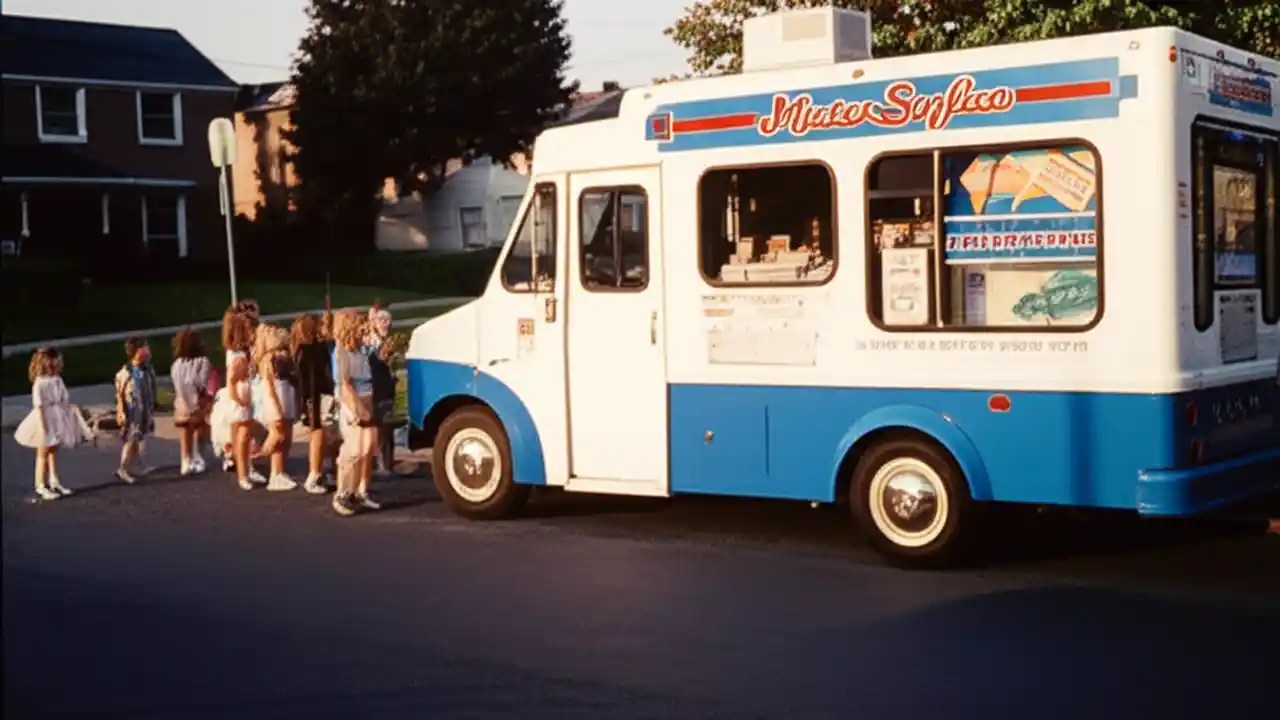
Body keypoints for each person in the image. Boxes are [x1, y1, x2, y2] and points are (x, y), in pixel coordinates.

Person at [15, 347, 95, 500]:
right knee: (43, 451)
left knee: (53, 450)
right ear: (47, 362)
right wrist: (43, 425)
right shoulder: (39, 383)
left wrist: (70, 413)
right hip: (44, 418)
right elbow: (38, 405)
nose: (59, 364)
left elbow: (64, 397)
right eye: (56, 361)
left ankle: (54, 480)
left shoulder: (57, 379)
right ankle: (40, 484)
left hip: (57, 416)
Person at [213, 306, 267, 491]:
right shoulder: (237, 356)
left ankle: (246, 468)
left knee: (243, 434)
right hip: (240, 397)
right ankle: (243, 474)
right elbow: (232, 381)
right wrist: (239, 399)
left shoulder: (242, 352)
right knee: (243, 436)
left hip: (244, 394)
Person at [331, 310, 379, 515]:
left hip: (368, 400)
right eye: (359, 325)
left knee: (368, 449)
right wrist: (358, 409)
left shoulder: (361, 350)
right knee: (354, 450)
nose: (363, 328)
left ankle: (359, 492)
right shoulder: (341, 351)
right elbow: (345, 384)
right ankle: (343, 493)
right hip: (353, 405)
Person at [252, 324, 298, 492]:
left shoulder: (283, 355)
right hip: (276, 399)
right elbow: (270, 386)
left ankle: (280, 471)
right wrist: (277, 407)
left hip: (286, 395)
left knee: (286, 438)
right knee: (277, 436)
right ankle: (264, 464)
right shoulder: (268, 359)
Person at [292, 313, 334, 494]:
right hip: (316, 397)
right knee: (317, 434)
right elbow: (314, 377)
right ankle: (314, 475)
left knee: (324, 434)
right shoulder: (311, 350)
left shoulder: (304, 348)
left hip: (314, 396)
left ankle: (322, 471)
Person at [113, 337, 157, 484]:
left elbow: (151, 388)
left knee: (138, 438)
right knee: (131, 439)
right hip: (132, 410)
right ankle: (123, 468)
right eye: (145, 348)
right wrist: (120, 411)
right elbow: (119, 394)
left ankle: (137, 465)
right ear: (137, 351)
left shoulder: (147, 369)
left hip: (143, 409)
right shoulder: (125, 373)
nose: (149, 351)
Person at [170, 327, 213, 476]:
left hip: (181, 401)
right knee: (201, 430)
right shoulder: (203, 362)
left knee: (185, 431)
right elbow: (202, 382)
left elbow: (176, 383)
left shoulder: (177, 364)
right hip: (197, 402)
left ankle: (185, 460)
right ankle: (198, 457)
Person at [365, 306, 395, 476]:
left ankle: (387, 464)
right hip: (374, 388)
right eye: (381, 321)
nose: (385, 324)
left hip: (388, 387)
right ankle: (376, 462)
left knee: (387, 428)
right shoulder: (370, 342)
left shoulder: (392, 341)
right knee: (376, 428)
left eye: (387, 321)